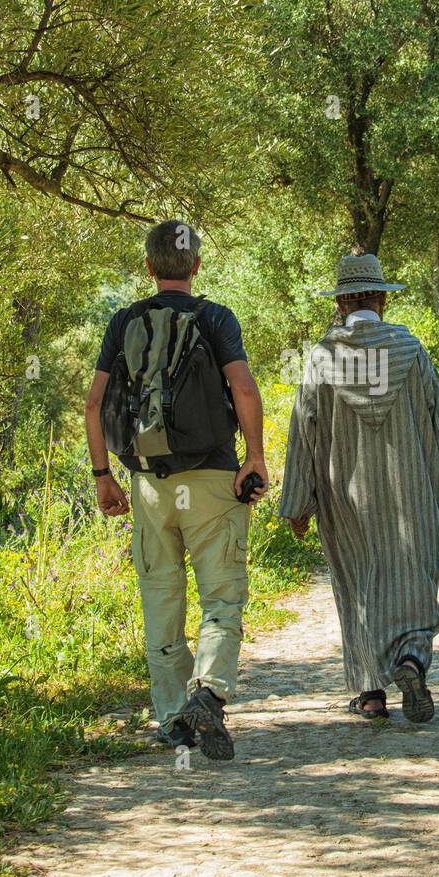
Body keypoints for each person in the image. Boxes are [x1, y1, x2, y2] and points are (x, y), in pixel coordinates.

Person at [84, 220, 268, 760]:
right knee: (221, 596)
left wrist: (103, 477)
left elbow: (94, 405)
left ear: (149, 267)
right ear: (197, 267)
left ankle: (171, 719)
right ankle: (208, 695)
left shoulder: (123, 323)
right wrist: (254, 458)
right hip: (211, 479)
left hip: (148, 486)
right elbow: (242, 386)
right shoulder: (214, 317)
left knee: (160, 597)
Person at [279, 253, 439, 722]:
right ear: (382, 299)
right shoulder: (412, 352)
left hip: (345, 495)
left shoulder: (323, 358)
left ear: (343, 301)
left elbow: (304, 430)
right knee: (413, 580)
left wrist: (298, 502)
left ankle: (369, 694)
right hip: (414, 488)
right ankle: (410, 660)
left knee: (358, 582)